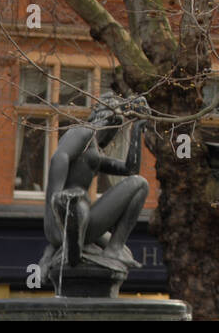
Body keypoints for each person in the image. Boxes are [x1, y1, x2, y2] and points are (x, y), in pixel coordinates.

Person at [41, 89, 149, 277]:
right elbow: (59, 157)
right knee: (140, 184)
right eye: (117, 126)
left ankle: (112, 248)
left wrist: (138, 128)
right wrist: (54, 208)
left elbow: (129, 169)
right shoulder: (83, 132)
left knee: (126, 252)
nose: (115, 134)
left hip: (81, 220)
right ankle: (104, 247)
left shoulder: (95, 153)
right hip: (68, 214)